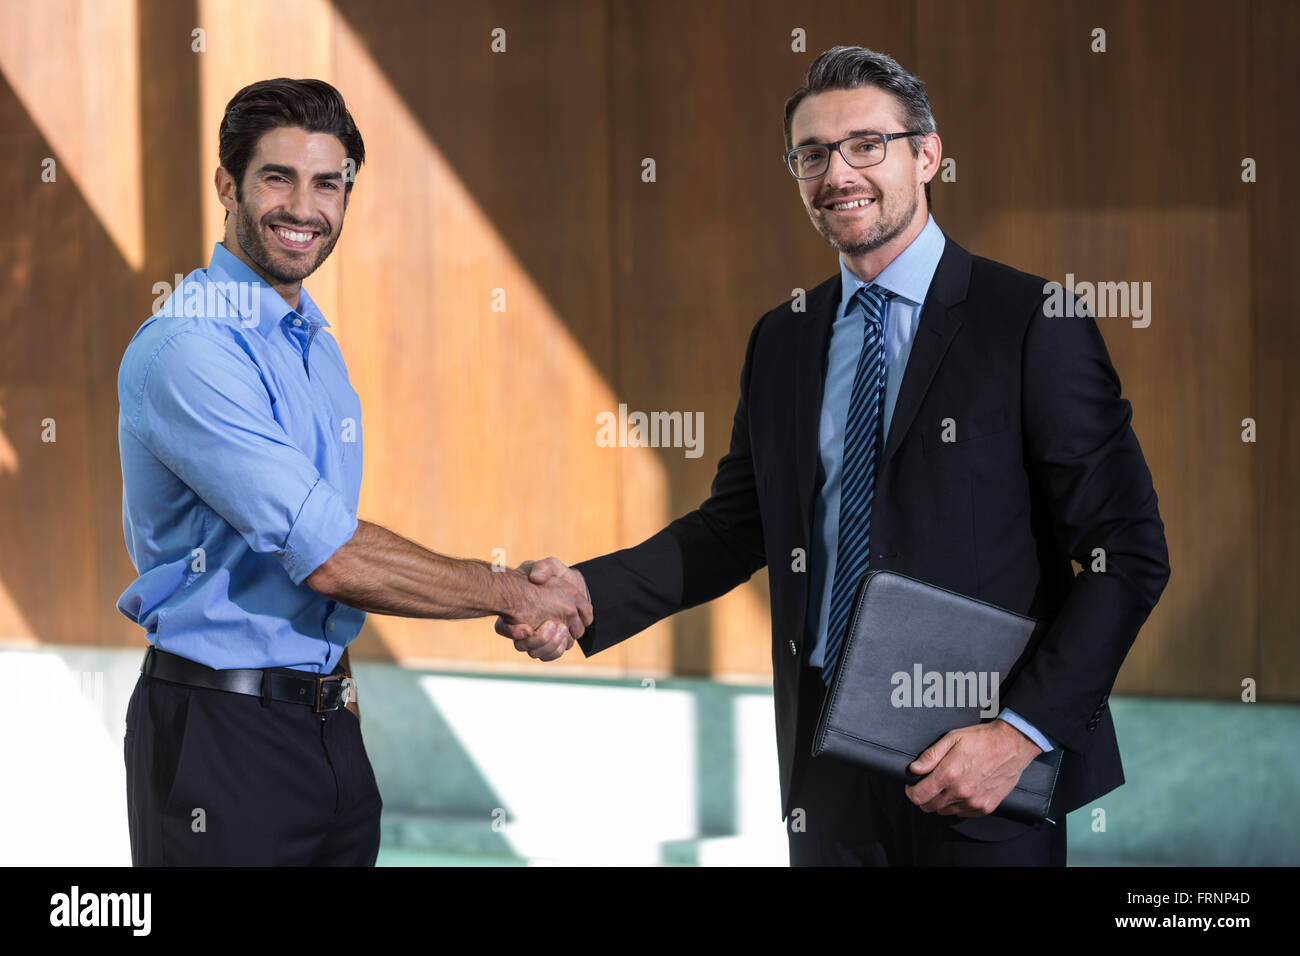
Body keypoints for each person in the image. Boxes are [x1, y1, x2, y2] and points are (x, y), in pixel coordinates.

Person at [499, 46, 1171, 866]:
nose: (837, 172)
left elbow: (1126, 553)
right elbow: (735, 528)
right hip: (825, 765)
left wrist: (1021, 734)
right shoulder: (783, 336)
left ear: (926, 154)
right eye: (811, 154)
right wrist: (585, 594)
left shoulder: (1030, 321)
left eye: (866, 144)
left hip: (982, 769)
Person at [117, 77, 589, 866]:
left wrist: (334, 705)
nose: (304, 207)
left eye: (328, 183)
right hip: (221, 738)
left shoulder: (312, 343)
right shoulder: (189, 349)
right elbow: (330, 555)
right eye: (277, 177)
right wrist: (513, 592)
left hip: (326, 728)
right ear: (226, 186)